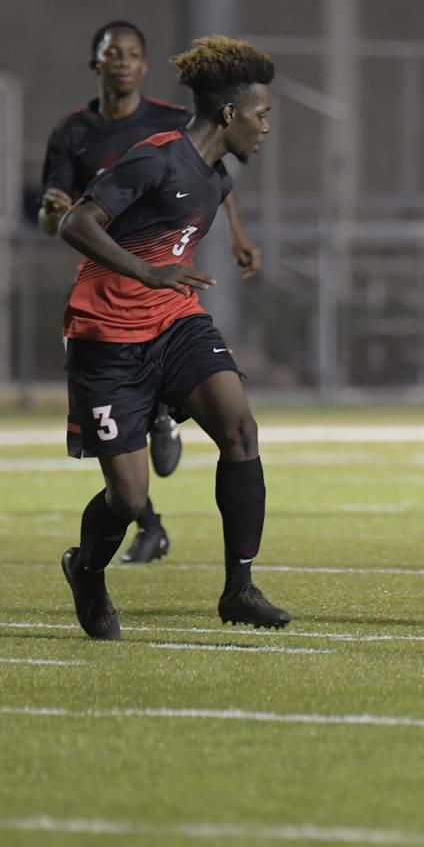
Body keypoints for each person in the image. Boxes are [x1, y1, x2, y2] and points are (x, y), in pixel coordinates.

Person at [54, 34, 288, 639]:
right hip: (105, 337)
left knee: (240, 426)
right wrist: (149, 270)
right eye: (262, 115)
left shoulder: (216, 175)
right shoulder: (153, 157)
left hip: (174, 321)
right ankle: (87, 569)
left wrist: (236, 239)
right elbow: (77, 223)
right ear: (230, 114)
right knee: (130, 500)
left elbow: (213, 198)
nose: (266, 127)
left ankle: (240, 589)